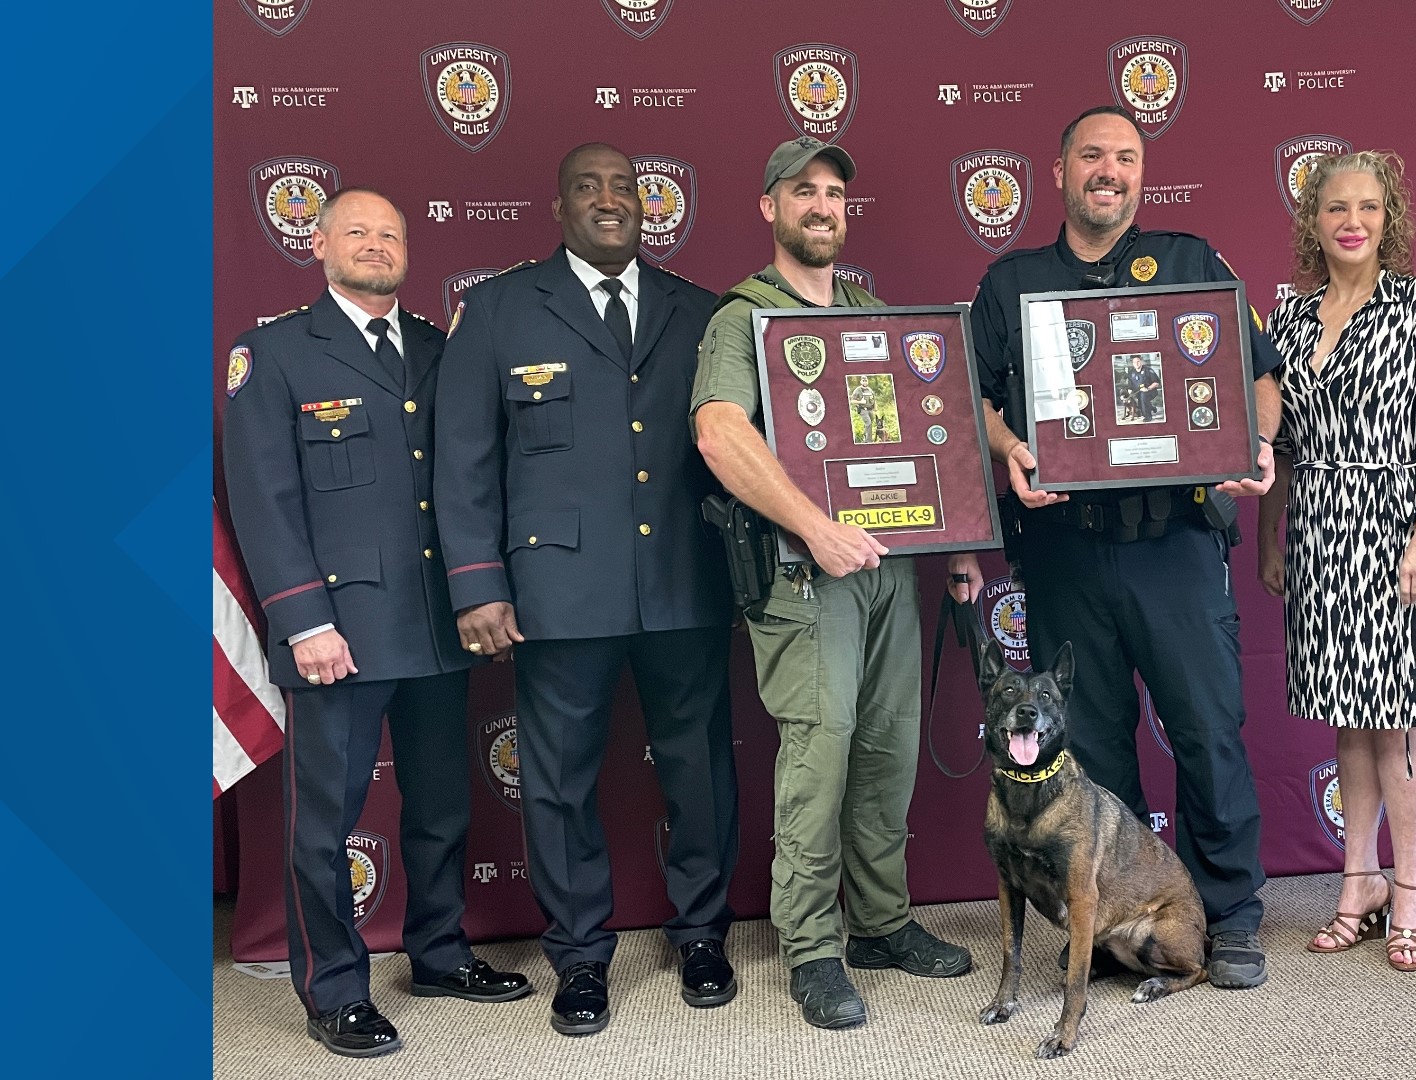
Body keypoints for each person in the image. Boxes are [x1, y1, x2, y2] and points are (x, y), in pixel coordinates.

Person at [954, 106, 1283, 989]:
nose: (1110, 170)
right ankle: (1113, 918)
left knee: (1207, 731)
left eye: (1126, 157)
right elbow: (970, 396)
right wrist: (1010, 448)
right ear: (1059, 170)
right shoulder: (1011, 282)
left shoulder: (1191, 261)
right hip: (1063, 547)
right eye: (1093, 155)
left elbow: (1259, 374)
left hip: (1173, 543)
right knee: (1091, 746)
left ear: (1142, 173)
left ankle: (1228, 913)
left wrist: (1256, 441)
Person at [433, 143, 741, 1035]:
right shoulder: (497, 309)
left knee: (699, 769)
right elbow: (464, 459)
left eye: (625, 187)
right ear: (559, 207)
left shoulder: (700, 310)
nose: (610, 200)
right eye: (588, 187)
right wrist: (477, 584)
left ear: (647, 204)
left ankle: (702, 933)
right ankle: (578, 954)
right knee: (559, 780)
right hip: (557, 590)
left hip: (683, 579)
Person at [222, 188, 530, 1059]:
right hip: (338, 633)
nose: (374, 245)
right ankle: (334, 990)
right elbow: (263, 501)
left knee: (441, 806)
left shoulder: (438, 349)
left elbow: (468, 478)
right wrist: (303, 622)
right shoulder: (273, 353)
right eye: (356, 231)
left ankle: (438, 952)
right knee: (325, 823)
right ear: (318, 243)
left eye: (389, 234)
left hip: (434, 623)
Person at [690, 137, 975, 1030]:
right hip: (803, 573)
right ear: (769, 207)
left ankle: (881, 924)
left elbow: (926, 430)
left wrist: (958, 540)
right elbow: (719, 432)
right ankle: (812, 947)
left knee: (888, 750)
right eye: (802, 192)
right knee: (821, 757)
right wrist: (814, 527)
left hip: (889, 567)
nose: (822, 206)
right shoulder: (743, 317)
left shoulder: (869, 312)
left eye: (834, 194)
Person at [1254, 151, 1416, 973]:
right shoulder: (1291, 318)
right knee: (1350, 718)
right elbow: (1282, 447)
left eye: (1369, 207)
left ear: (1391, 219)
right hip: (1318, 531)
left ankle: (1410, 891)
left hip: (1396, 529)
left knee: (1400, 717)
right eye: (1336, 207)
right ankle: (1360, 880)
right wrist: (1272, 537)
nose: (1352, 221)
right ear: (1312, 222)